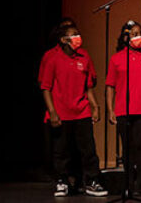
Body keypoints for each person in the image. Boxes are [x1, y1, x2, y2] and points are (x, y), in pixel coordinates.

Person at [41, 21, 108, 198]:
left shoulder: (83, 57)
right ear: (64, 39)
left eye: (78, 34)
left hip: (82, 111)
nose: (78, 37)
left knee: (88, 149)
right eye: (74, 34)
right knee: (61, 150)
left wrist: (94, 106)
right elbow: (46, 87)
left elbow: (88, 86)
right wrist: (53, 112)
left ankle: (92, 181)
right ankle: (62, 181)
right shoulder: (53, 58)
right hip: (62, 112)